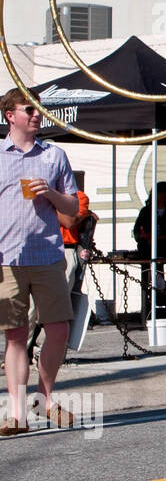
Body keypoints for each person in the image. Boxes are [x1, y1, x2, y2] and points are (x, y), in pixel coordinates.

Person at [1, 89, 81, 435]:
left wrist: (50, 193)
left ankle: (45, 397)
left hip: (49, 255)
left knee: (59, 330)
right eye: (28, 110)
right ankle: (16, 414)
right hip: (8, 257)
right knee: (15, 336)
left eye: (38, 110)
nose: (36, 115)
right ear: (10, 116)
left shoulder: (54, 155)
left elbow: (73, 210)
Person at [28, 170, 97, 360]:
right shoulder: (33, 196)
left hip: (65, 250)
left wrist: (49, 200)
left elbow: (69, 221)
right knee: (31, 307)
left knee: (57, 305)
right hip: (38, 248)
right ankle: (22, 351)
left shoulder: (79, 198)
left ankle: (42, 350)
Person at [133, 182, 166, 256]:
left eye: (164, 192)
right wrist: (144, 237)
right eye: (159, 192)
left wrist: (159, 238)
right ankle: (148, 268)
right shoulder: (146, 211)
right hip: (148, 246)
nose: (162, 195)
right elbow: (137, 231)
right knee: (143, 247)